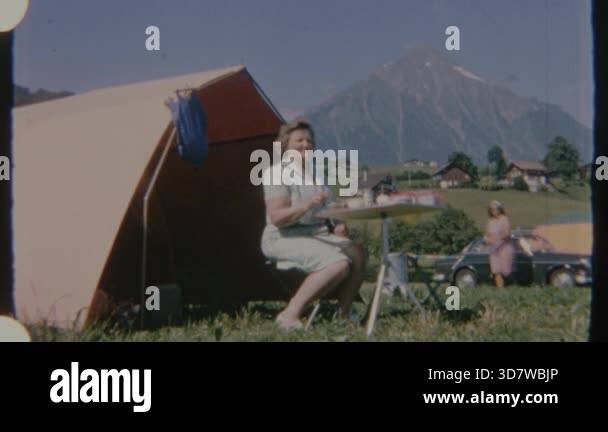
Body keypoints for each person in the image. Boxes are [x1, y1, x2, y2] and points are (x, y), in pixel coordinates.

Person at [261, 120, 366, 331]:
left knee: (358, 253)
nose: (305, 144)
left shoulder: (316, 174)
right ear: (285, 145)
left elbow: (328, 207)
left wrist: (339, 220)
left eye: (309, 140)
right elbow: (277, 217)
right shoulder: (275, 173)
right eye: (299, 140)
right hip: (282, 236)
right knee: (338, 263)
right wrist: (306, 204)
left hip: (314, 233)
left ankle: (344, 314)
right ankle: (289, 315)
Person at [483, 200, 515, 288]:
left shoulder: (504, 219)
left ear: (499, 209)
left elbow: (507, 233)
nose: (494, 211)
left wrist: (498, 239)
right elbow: (487, 233)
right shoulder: (490, 220)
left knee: (505, 271)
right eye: (492, 210)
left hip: (504, 247)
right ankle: (500, 289)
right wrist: (486, 239)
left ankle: (510, 286)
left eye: (495, 209)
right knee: (496, 271)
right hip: (494, 249)